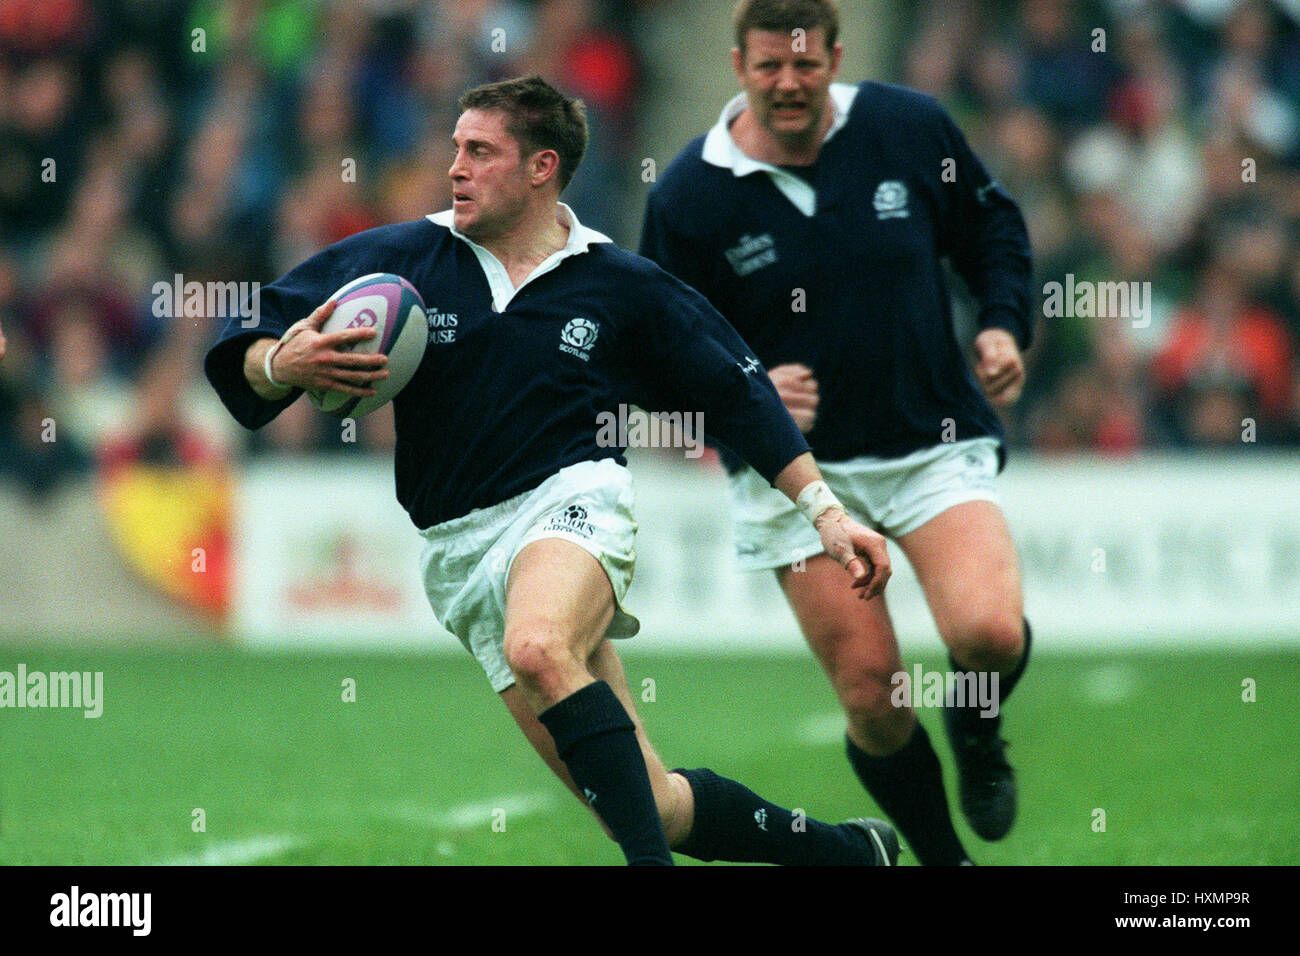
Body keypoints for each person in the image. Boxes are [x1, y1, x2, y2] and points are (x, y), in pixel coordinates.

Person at [206, 75, 902, 866]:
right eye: (455, 149)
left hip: (574, 503)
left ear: (541, 167)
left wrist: (824, 509)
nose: (455, 168)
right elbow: (249, 343)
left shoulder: (618, 285)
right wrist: (279, 362)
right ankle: (847, 854)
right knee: (649, 802)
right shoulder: (399, 259)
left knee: (539, 645)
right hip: (461, 552)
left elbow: (737, 392)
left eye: (479, 151)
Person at [640, 0, 1035, 865]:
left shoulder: (907, 125)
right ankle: (945, 861)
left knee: (989, 636)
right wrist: (742, 392)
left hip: (929, 439)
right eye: (770, 67)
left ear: (834, 58)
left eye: (806, 64)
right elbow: (657, 354)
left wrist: (1002, 321)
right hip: (796, 474)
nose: (789, 83)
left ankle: (977, 727)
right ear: (738, 63)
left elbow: (992, 223)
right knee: (874, 698)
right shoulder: (687, 196)